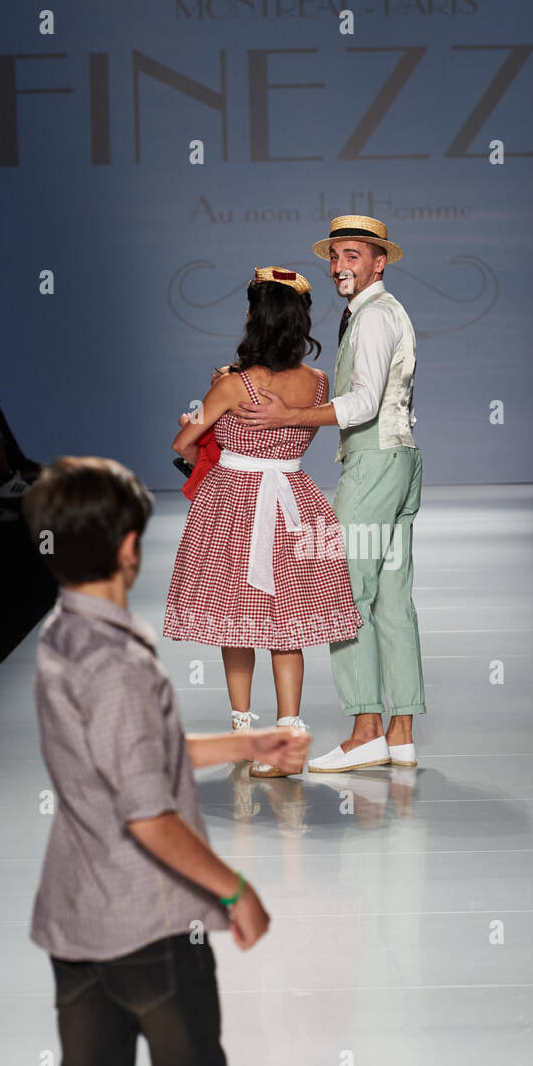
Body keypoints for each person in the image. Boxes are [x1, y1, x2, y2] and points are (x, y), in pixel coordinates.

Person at [21, 455, 308, 1066]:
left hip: (78, 920)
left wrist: (244, 745)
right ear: (128, 548)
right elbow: (147, 815)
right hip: (148, 926)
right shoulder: (117, 660)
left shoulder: (61, 637)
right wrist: (234, 890)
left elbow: (129, 758)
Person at [234, 215, 424, 772]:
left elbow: (363, 402)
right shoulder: (385, 313)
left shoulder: (372, 319)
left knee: (343, 592)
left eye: (353, 256)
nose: (340, 266)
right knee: (392, 599)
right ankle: (400, 732)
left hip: (374, 464)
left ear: (378, 261)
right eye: (336, 256)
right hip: (400, 458)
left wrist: (289, 415)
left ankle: (366, 728)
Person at [164, 267, 362, 776]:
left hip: (234, 504)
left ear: (255, 318)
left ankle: (243, 732)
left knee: (236, 622)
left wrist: (195, 423)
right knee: (286, 624)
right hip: (294, 503)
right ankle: (289, 733)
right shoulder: (318, 383)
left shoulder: (234, 384)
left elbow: (184, 445)